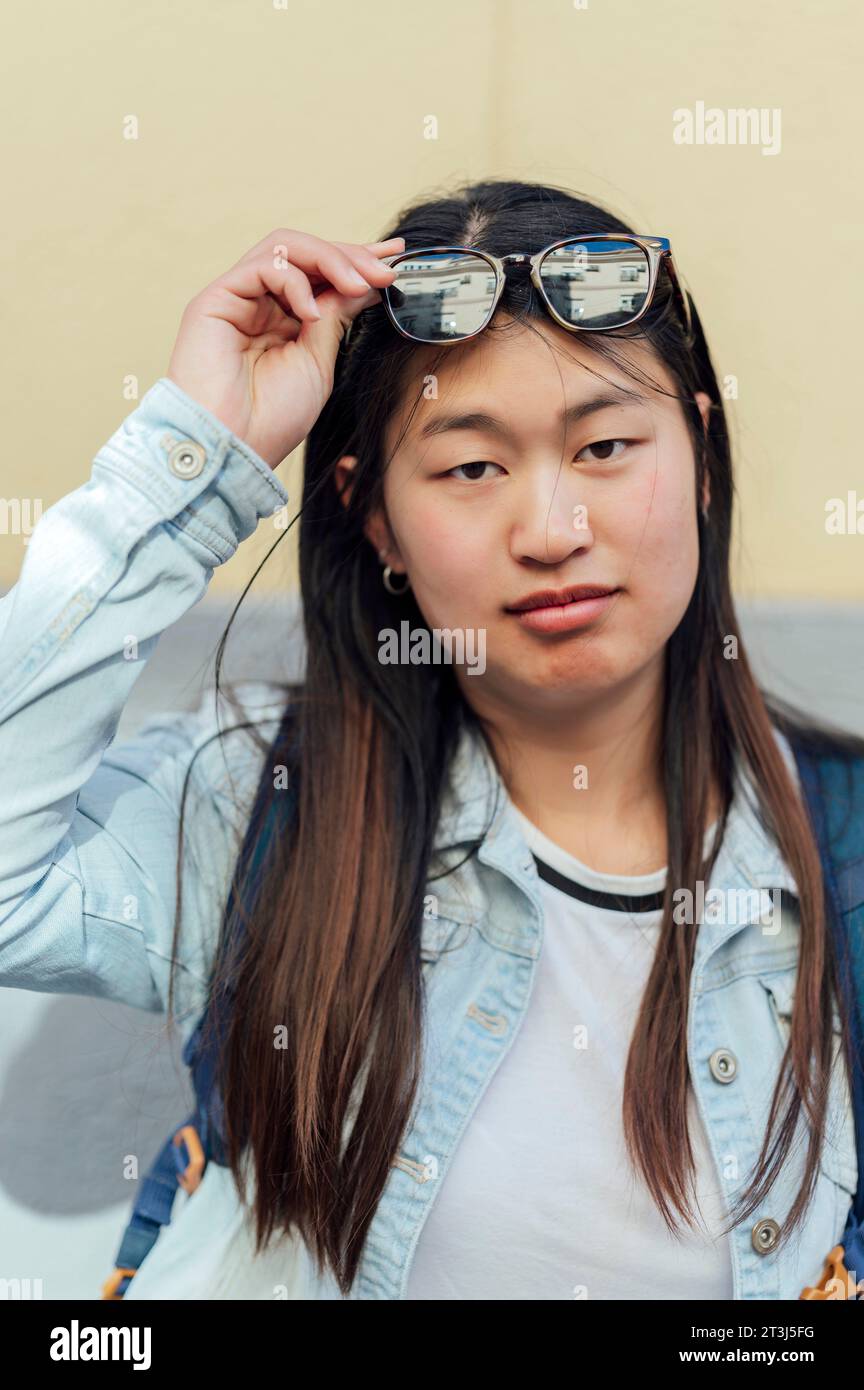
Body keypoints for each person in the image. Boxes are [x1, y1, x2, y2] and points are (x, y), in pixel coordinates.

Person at [1, 178, 861, 1301]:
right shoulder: (262, 801)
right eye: (470, 467)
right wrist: (193, 459)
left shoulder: (841, 853)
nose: (553, 531)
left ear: (697, 453)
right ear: (376, 518)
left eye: (605, 446)